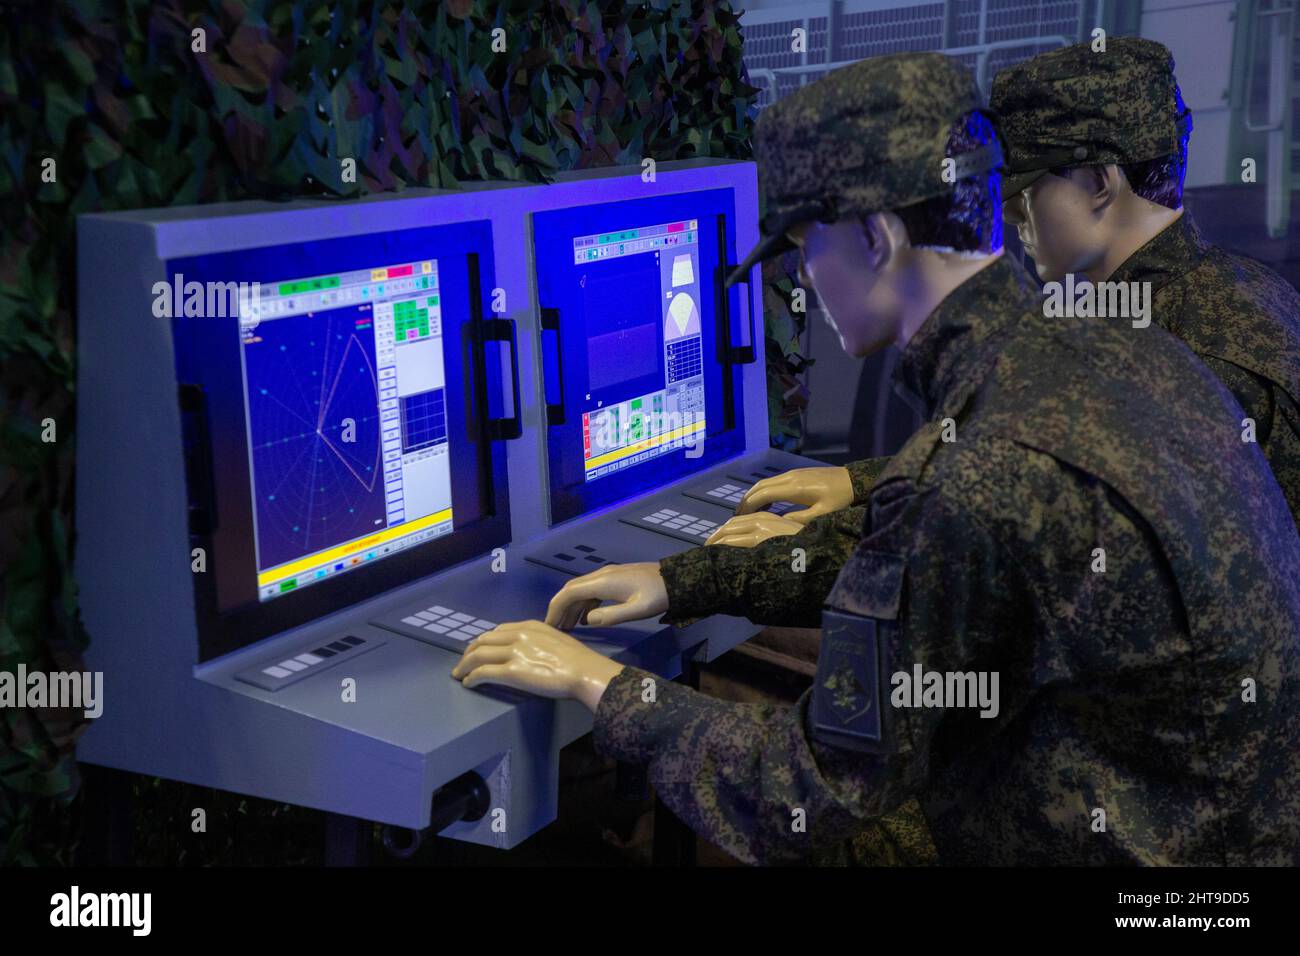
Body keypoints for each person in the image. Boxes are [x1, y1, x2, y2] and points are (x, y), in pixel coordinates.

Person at [452, 51, 1300, 865]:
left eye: (805, 246)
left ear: (877, 235)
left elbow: (804, 787)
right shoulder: (1100, 339)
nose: (806, 282)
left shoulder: (982, 465)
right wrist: (686, 582)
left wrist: (596, 683)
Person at [728, 36, 1300, 540]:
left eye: (1025, 186)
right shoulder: (1220, 295)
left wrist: (787, 549)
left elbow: (1015, 518)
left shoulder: (1196, 355)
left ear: (1100, 182)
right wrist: (861, 482)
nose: (1007, 210)